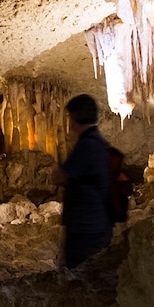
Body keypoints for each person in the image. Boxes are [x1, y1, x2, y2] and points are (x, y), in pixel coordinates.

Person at [52, 94, 113, 268]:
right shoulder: (102, 144)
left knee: (77, 276)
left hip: (85, 228)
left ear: (76, 117)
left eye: (70, 118)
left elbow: (60, 176)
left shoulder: (86, 146)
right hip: (100, 224)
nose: (69, 124)